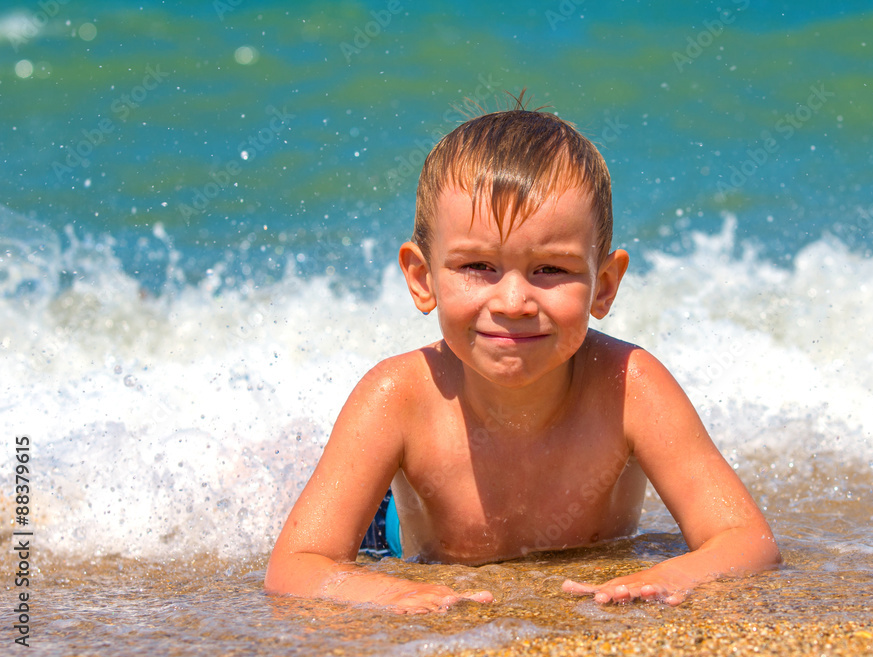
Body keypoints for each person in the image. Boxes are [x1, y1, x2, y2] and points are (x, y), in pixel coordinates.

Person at [264, 96, 780, 614]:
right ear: (422, 279)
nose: (513, 303)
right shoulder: (396, 397)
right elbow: (297, 565)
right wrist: (393, 592)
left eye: (550, 270)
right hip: (396, 539)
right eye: (478, 266)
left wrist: (666, 576)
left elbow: (745, 541)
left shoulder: (630, 387)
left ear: (604, 286)